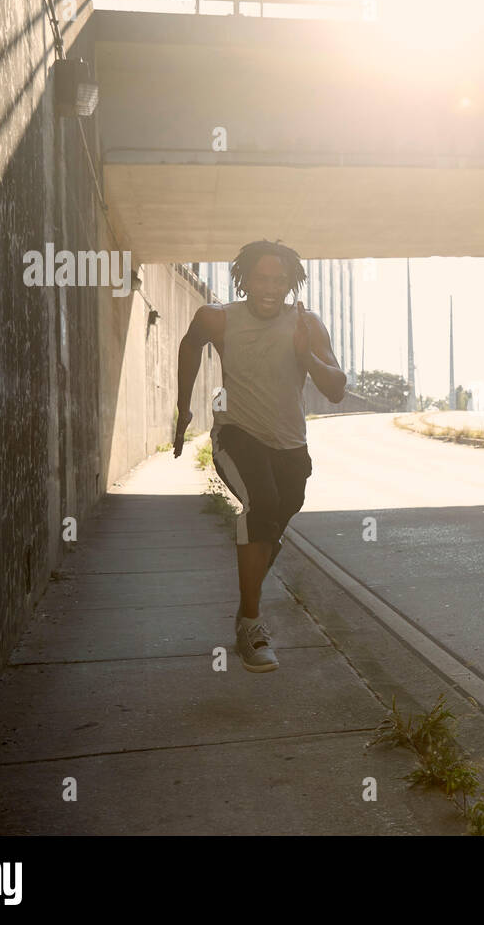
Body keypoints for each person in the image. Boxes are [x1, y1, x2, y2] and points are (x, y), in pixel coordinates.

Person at [172, 241, 347, 671]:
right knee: (262, 506)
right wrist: (184, 408)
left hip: (291, 444)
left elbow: (336, 388)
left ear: (291, 283)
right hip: (238, 434)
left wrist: (306, 352)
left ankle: (246, 607)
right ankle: (251, 624)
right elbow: (190, 344)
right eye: (261, 279)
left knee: (277, 519)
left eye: (279, 280)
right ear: (244, 279)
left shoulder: (307, 324)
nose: (270, 288)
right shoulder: (217, 317)